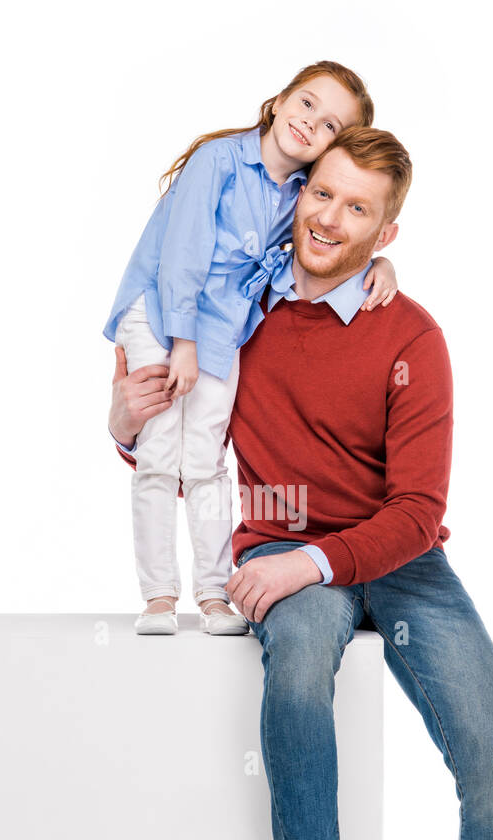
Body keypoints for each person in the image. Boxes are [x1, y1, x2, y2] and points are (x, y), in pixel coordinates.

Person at [108, 125, 493, 840]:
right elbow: (170, 435)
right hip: (279, 550)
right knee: (300, 662)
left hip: (399, 560)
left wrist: (320, 555)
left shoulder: (411, 334)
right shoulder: (242, 310)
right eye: (323, 194)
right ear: (300, 191)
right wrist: (122, 419)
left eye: (359, 209)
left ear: (388, 227)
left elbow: (418, 511)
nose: (330, 218)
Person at [103, 62, 397, 636]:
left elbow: (316, 255)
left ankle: (213, 594)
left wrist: (379, 261)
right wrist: (182, 343)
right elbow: (182, 253)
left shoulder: (298, 195)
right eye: (308, 103)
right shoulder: (220, 162)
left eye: (331, 124)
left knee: (208, 458)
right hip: (163, 309)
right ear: (280, 99)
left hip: (220, 326)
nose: (312, 123)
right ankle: (159, 596)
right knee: (161, 449)